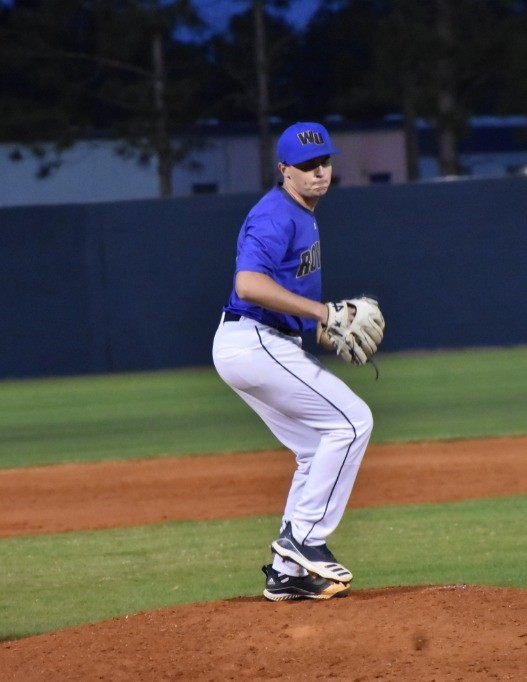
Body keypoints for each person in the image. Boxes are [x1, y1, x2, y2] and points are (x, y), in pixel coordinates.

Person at [212, 121, 375, 601]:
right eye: (306, 165)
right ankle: (303, 538)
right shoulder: (276, 215)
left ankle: (287, 573)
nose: (318, 172)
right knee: (352, 422)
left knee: (315, 446)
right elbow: (248, 285)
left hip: (260, 343)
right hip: (252, 341)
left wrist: (321, 330)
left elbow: (286, 299)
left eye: (324, 162)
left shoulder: (303, 214)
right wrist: (325, 313)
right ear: (284, 169)